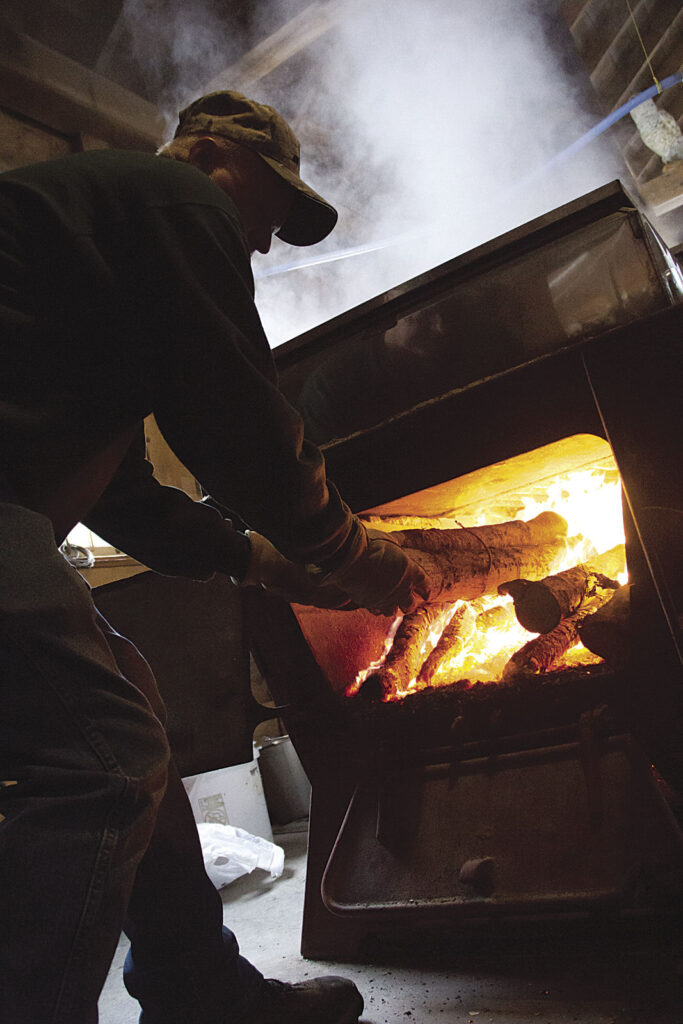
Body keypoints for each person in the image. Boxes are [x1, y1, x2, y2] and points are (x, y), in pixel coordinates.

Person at [0, 90, 432, 1024]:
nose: (264, 245)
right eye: (266, 209)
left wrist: (259, 562)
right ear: (207, 158)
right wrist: (350, 553)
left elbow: (124, 499)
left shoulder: (88, 266)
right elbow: (237, 418)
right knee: (108, 757)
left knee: (127, 703)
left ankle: (199, 992)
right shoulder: (173, 197)